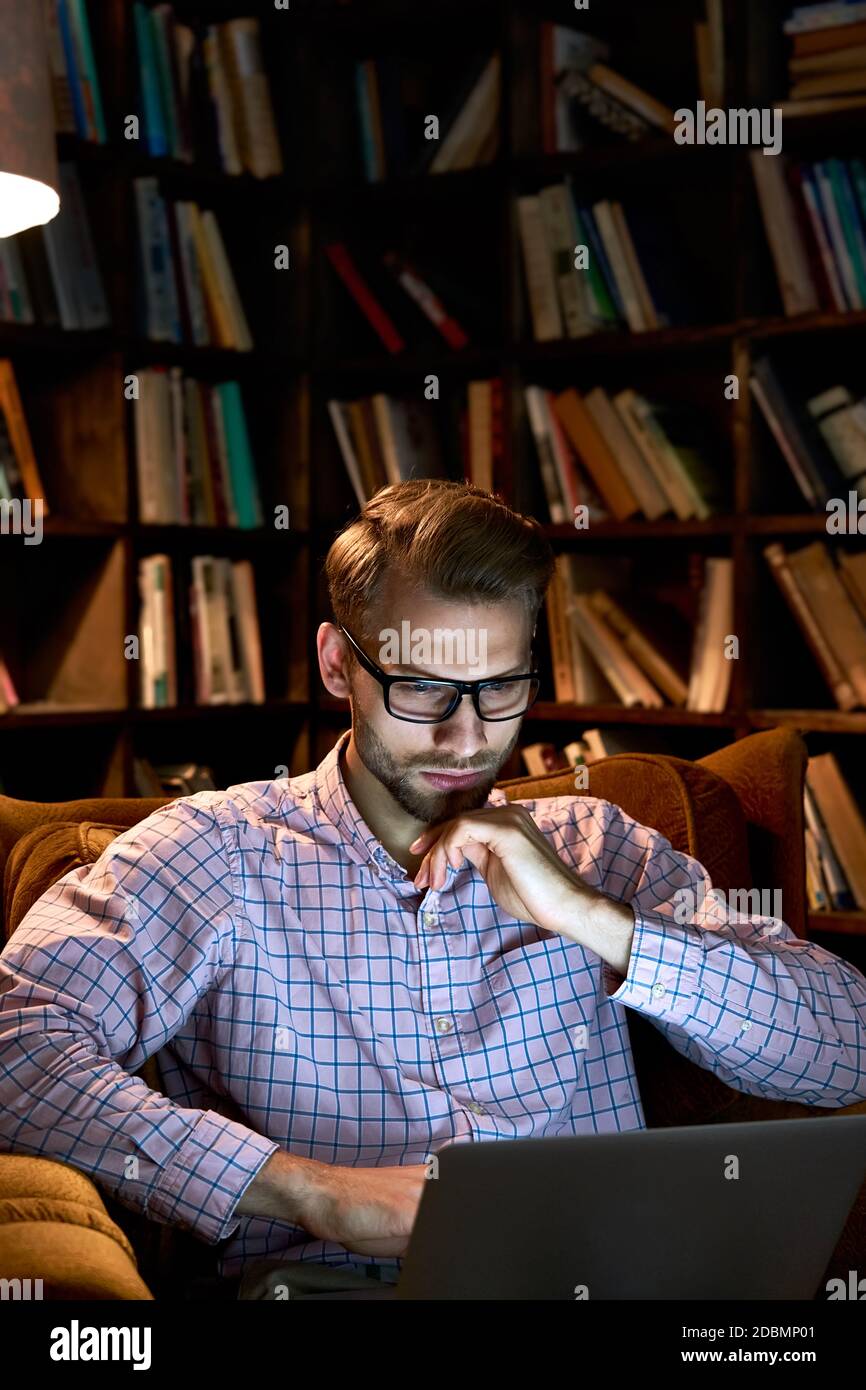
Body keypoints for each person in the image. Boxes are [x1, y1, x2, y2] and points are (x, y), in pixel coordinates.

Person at [1, 480, 865, 1300]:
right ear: (340, 666)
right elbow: (15, 1048)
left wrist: (596, 920)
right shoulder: (215, 855)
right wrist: (309, 1192)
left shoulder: (597, 847)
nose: (466, 735)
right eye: (422, 687)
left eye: (500, 688)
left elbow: (846, 1052)